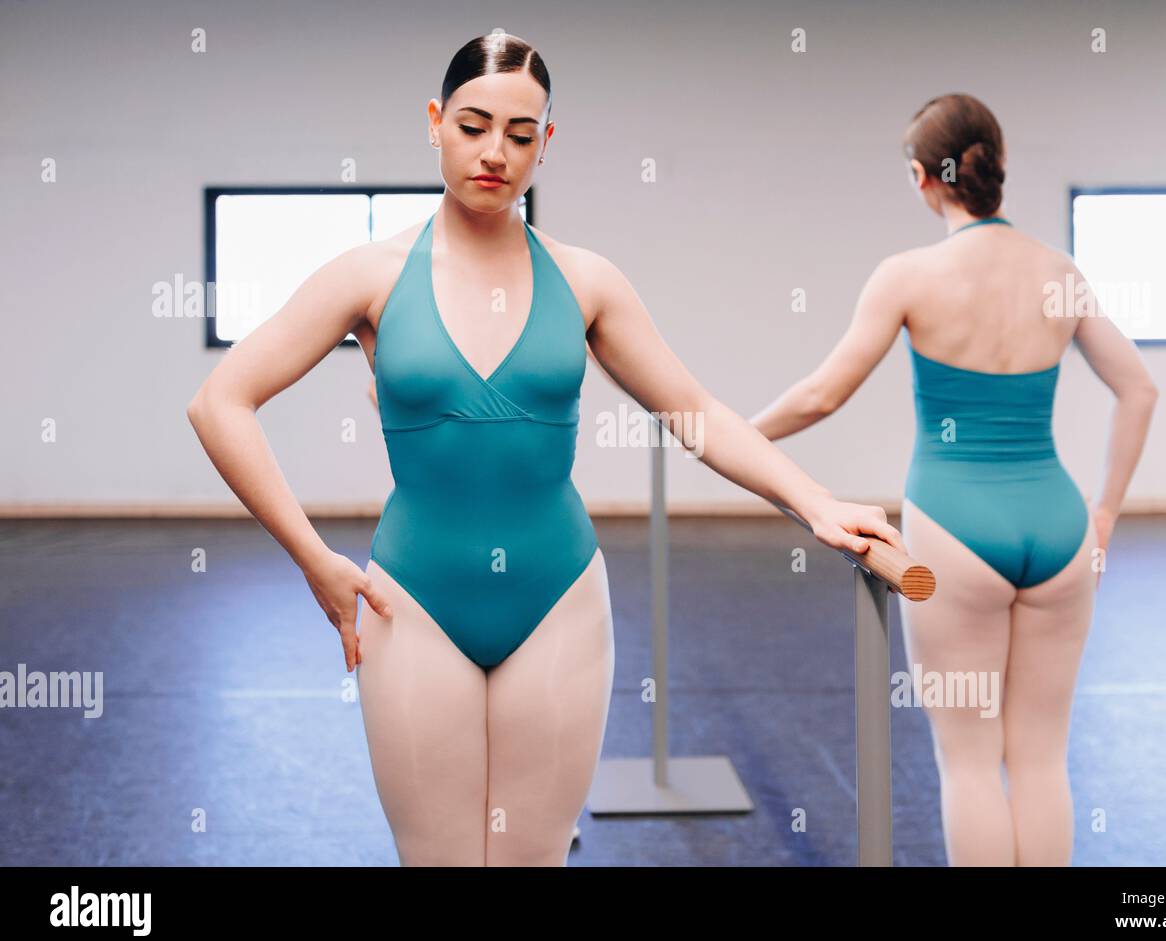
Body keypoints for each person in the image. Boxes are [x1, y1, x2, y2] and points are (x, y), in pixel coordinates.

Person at [186, 31, 905, 866]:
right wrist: (313, 559)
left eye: (521, 135)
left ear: (545, 143)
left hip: (558, 601)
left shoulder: (587, 280)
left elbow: (693, 409)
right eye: (473, 126)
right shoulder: (369, 276)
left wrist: (816, 503)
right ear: (434, 121)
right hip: (411, 602)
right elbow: (219, 403)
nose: (495, 153)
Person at [750, 93, 1158, 865]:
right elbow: (1140, 389)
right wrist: (1104, 513)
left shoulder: (908, 275)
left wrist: (730, 435)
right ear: (993, 167)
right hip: (1060, 526)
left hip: (953, 530)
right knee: (1040, 759)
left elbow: (822, 394)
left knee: (967, 762)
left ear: (922, 177)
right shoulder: (1057, 270)